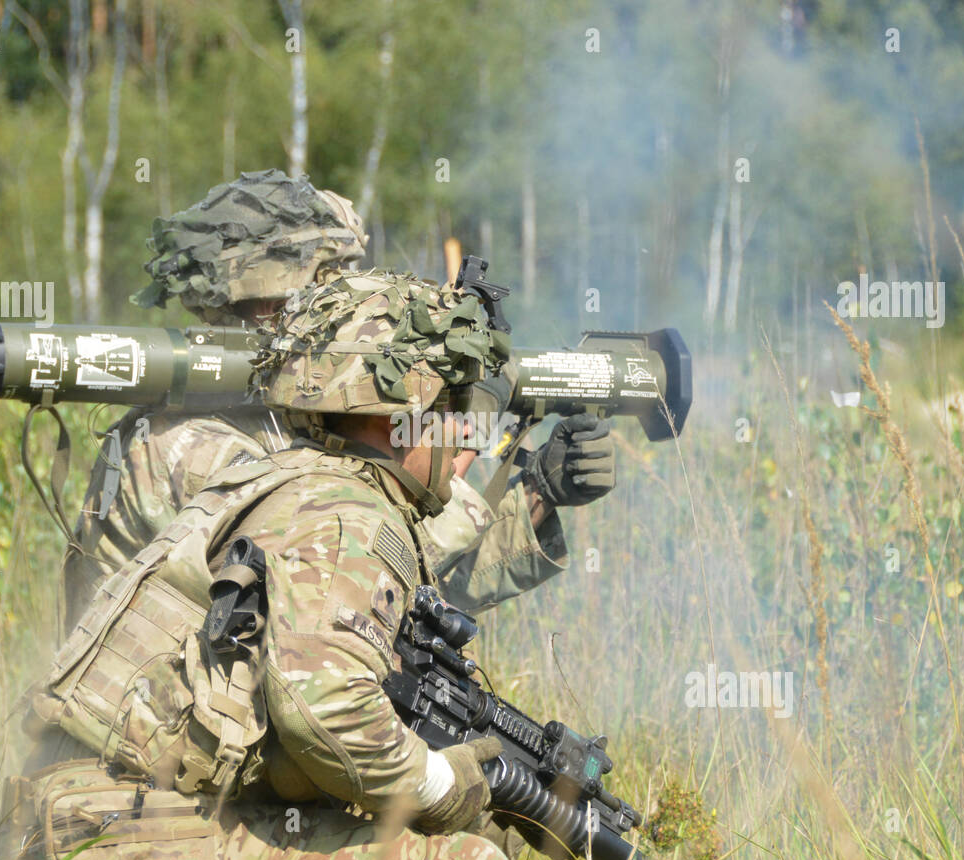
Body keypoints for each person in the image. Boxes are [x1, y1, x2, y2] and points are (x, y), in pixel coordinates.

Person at [0, 269, 517, 860]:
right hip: (129, 834)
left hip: (68, 816)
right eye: (454, 406)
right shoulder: (347, 513)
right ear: (398, 415)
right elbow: (327, 708)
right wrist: (440, 783)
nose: (467, 431)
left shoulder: (275, 479)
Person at [62, 170, 614, 632]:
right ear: (270, 301)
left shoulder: (288, 420)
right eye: (329, 289)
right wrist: (468, 424)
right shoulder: (189, 445)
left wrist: (540, 490)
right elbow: (354, 578)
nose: (347, 309)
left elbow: (415, 596)